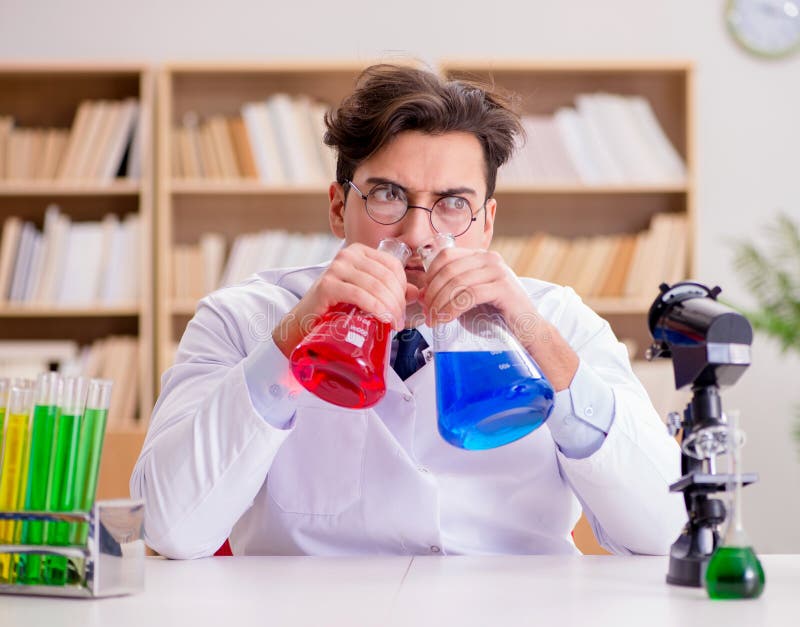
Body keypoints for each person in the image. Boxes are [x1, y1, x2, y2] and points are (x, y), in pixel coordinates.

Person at [131, 64, 686, 559]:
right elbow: (170, 529)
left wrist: (536, 339)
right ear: (337, 206)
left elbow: (663, 531)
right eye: (388, 196)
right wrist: (292, 337)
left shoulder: (555, 319)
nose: (419, 233)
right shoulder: (242, 318)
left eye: (453, 204)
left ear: (486, 222)